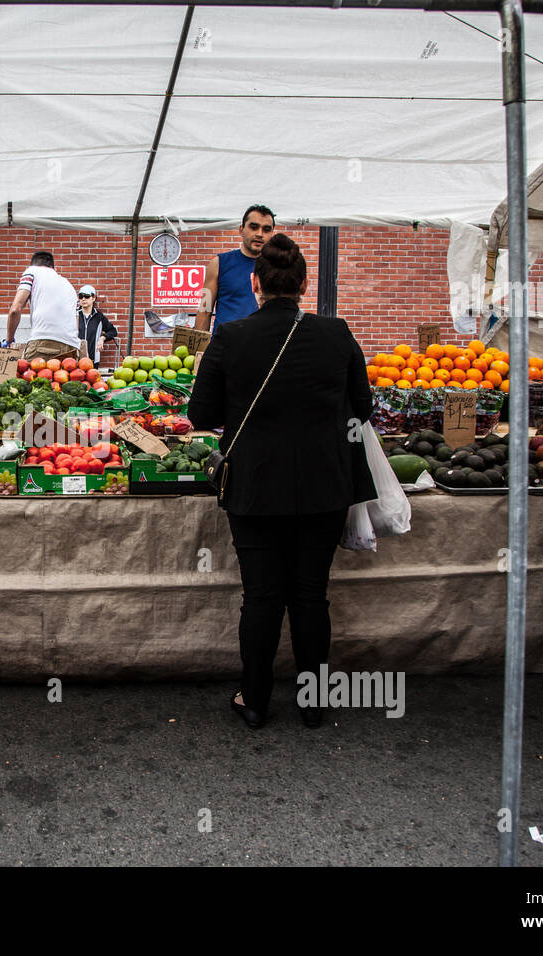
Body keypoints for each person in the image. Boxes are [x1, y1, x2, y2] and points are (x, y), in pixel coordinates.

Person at [188, 233, 375, 730]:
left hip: (254, 486)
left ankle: (254, 700)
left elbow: (200, 413)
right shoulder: (337, 334)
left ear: (255, 284)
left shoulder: (230, 338)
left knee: (263, 596)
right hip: (325, 486)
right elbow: (365, 407)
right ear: (305, 283)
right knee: (311, 595)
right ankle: (314, 703)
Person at [196, 205, 276, 333]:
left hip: (263, 347)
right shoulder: (217, 264)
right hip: (225, 347)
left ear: (272, 234)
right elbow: (204, 311)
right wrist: (197, 351)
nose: (259, 234)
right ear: (241, 230)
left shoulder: (277, 267)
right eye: (253, 227)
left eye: (266, 229)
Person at [6, 251, 80, 362]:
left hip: (44, 343)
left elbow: (15, 310)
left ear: (32, 265)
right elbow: (76, 323)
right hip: (72, 346)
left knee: (26, 376)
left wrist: (9, 340)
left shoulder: (32, 271)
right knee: (64, 378)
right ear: (54, 268)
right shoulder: (69, 286)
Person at [76, 285, 117, 367]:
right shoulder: (74, 316)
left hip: (93, 360)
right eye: (81, 296)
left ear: (93, 298)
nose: (83, 299)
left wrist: (102, 338)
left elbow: (113, 331)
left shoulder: (99, 317)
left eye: (87, 296)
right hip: (75, 360)